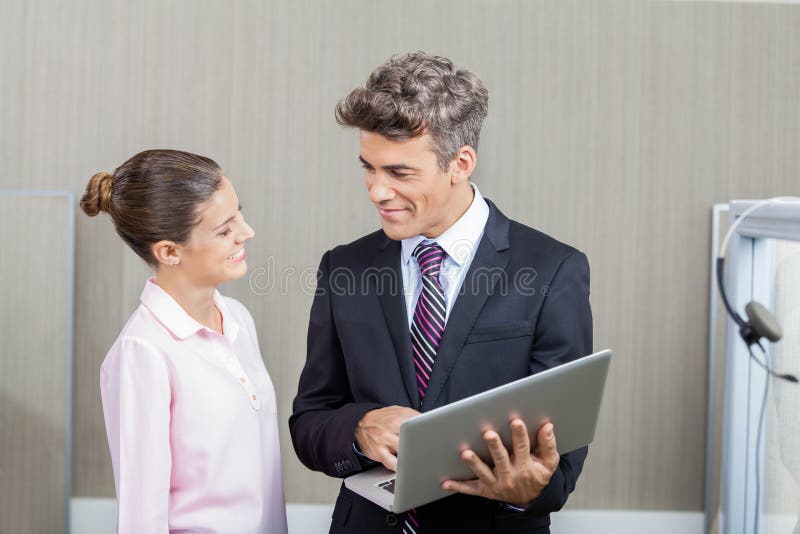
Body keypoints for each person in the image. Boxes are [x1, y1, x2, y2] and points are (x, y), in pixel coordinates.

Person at [289, 52, 592, 534]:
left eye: (399, 173)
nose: (376, 191)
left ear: (461, 163)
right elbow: (309, 421)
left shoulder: (554, 269)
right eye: (369, 167)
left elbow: (563, 459)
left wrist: (529, 491)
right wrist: (358, 430)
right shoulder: (344, 267)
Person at [81, 149, 287, 534]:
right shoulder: (143, 352)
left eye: (238, 214)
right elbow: (142, 515)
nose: (246, 232)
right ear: (169, 251)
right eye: (225, 229)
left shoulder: (238, 319)